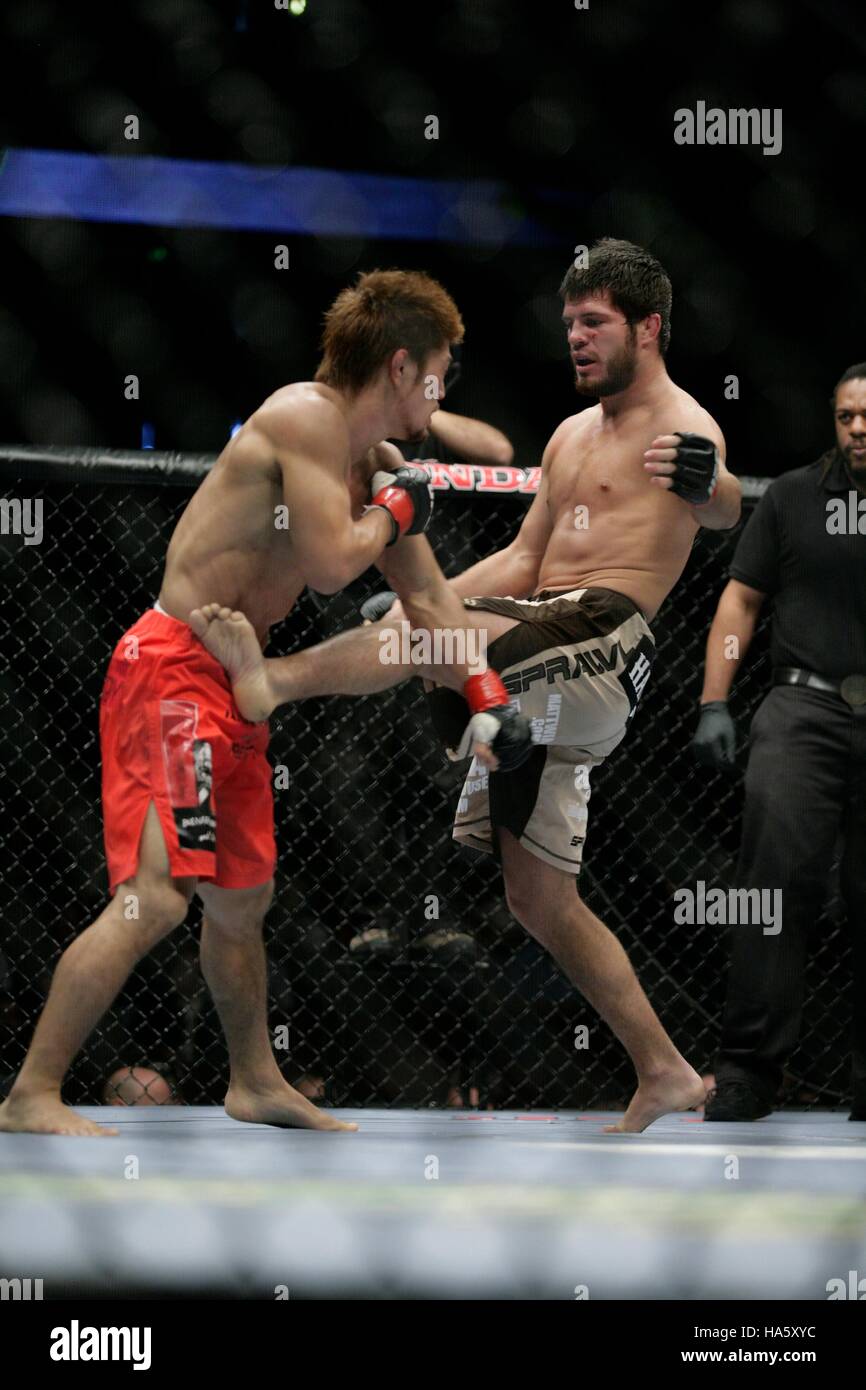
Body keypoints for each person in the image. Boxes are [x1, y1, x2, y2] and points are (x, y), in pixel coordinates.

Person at [190, 238, 743, 1132]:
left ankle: (273, 682)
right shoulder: (567, 438)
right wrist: (424, 595)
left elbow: (718, 500)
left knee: (429, 635)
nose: (576, 338)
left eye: (595, 322)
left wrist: (717, 485)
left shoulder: (682, 423)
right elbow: (524, 559)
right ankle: (667, 1069)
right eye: (569, 323)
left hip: (600, 641)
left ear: (649, 327)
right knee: (537, 898)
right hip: (535, 650)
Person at [0, 268, 530, 1139]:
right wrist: (398, 509)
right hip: (173, 668)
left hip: (237, 682)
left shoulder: (368, 464)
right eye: (438, 371)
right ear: (401, 367)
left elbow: (430, 601)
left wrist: (487, 696)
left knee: (243, 899)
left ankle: (253, 1081)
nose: (443, 391)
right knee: (158, 896)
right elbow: (331, 563)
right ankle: (33, 1090)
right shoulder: (302, 418)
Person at [693, 362, 866, 1121]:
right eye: (846, 416)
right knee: (770, 890)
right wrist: (714, 699)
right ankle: (749, 1071)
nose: (859, 428)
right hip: (804, 710)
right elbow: (743, 596)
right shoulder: (796, 496)